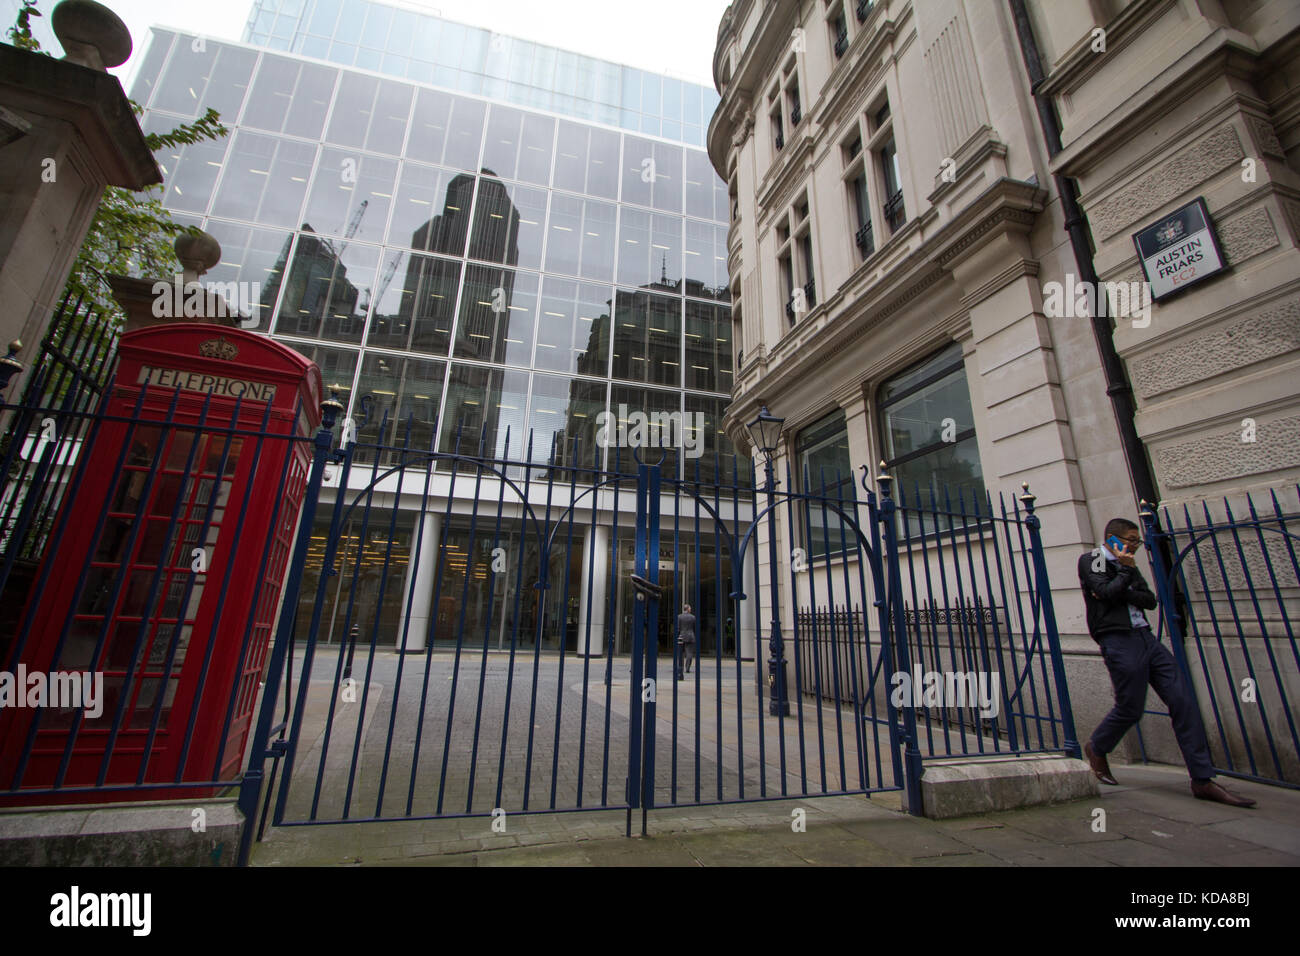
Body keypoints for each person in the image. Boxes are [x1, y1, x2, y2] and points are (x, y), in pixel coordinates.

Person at [1079, 518, 1255, 807]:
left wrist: (1121, 584)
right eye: (1131, 539)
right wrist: (1123, 574)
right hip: (1118, 639)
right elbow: (1105, 592)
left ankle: (1202, 779)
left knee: (1183, 700)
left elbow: (1149, 600)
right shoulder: (1094, 559)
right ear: (1113, 539)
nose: (1136, 545)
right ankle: (1097, 747)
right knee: (1131, 707)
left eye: (1136, 540)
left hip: (1147, 638)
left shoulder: (1131, 566)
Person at [676, 604, 697, 680]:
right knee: (689, 653)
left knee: (680, 653)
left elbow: (678, 627)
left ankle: (680, 667)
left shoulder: (679, 616)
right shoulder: (693, 617)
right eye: (690, 608)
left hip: (682, 636)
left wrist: (678, 635)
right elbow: (694, 627)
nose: (690, 609)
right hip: (690, 636)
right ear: (688, 609)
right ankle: (687, 667)